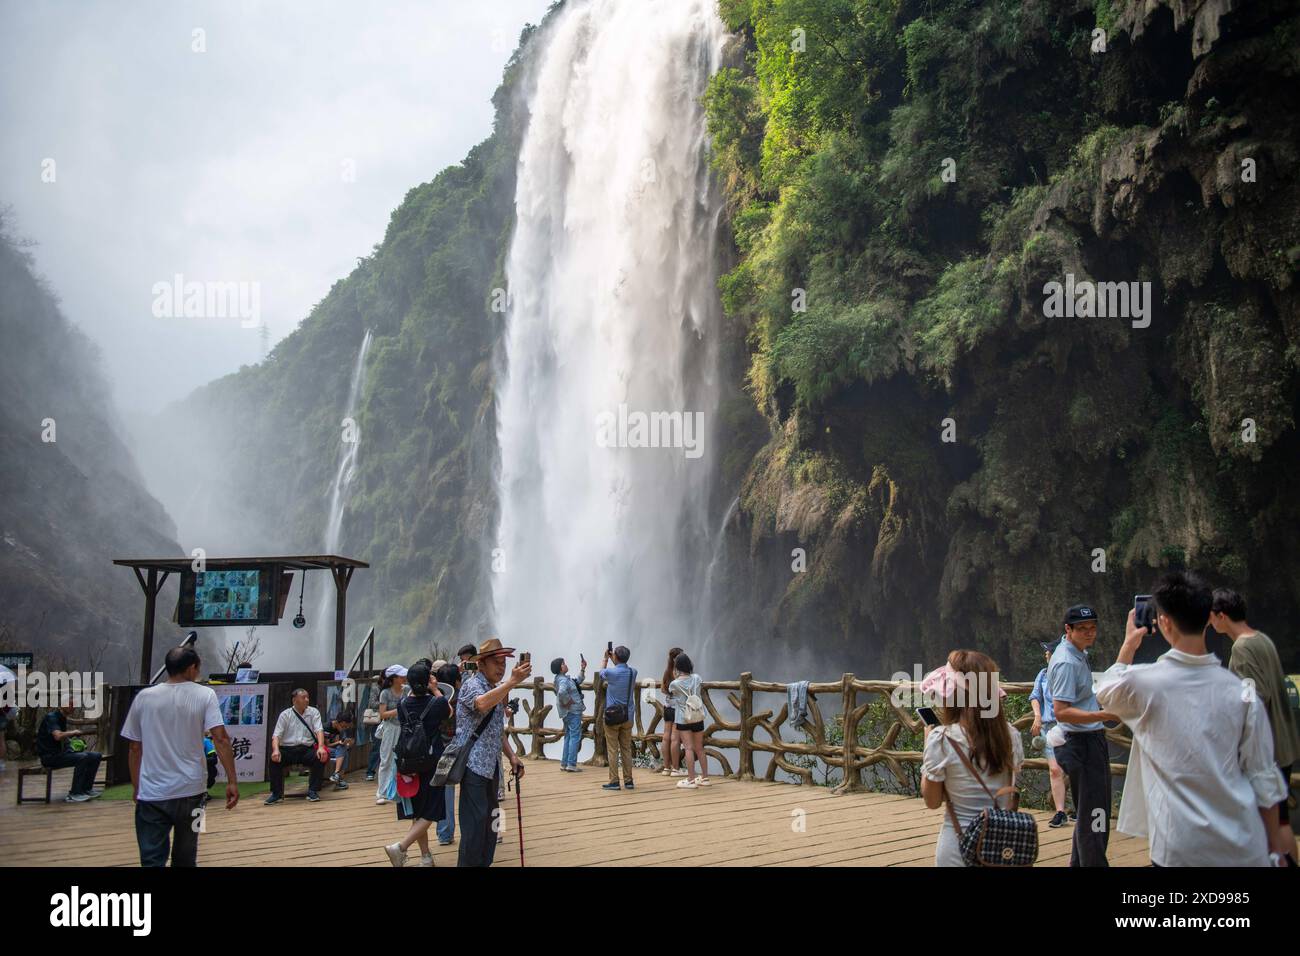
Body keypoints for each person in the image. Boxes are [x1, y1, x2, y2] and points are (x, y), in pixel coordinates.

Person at [1097, 572, 1289, 866]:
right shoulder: (1241, 692)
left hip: (1179, 847)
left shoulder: (1144, 684)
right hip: (1242, 845)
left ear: (1164, 622)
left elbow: (1105, 690)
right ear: (1208, 620)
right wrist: (1275, 852)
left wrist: (1129, 644)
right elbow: (1263, 776)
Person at [120, 645, 239, 866]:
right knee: (187, 855)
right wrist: (232, 780)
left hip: (151, 794)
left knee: (151, 859)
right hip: (193, 792)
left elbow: (134, 748)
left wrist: (137, 787)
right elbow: (221, 738)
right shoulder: (205, 694)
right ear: (192, 667)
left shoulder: (144, 697)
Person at [1210, 588, 1300, 864]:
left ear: (1221, 616)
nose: (1210, 623)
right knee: (1281, 817)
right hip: (1282, 742)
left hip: (1266, 749)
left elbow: (1255, 699)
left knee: (1273, 820)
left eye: (1211, 617)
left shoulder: (1243, 647)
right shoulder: (1262, 639)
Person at [920, 649, 1024, 866]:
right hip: (1001, 846)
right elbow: (1010, 797)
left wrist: (928, 748)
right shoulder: (1012, 736)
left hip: (957, 848)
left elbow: (932, 801)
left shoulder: (941, 739)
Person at [453, 638, 530, 867]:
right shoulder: (472, 685)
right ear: (481, 664)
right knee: (474, 827)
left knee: (492, 824)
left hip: (492, 768)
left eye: (504, 663)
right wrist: (512, 683)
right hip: (473, 767)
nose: (501, 668)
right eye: (496, 662)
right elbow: (481, 704)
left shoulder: (494, 689)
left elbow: (496, 730)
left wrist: (512, 756)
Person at [1047, 603, 1114, 867]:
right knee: (1094, 814)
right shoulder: (1065, 662)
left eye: (1093, 628)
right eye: (1083, 629)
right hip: (1082, 743)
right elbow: (1062, 712)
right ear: (1068, 629)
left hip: (1088, 739)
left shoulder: (1077, 653)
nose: (1090, 633)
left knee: (1091, 811)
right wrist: (1104, 716)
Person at [383, 662, 451, 867]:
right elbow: (449, 712)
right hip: (431, 763)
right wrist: (436, 689)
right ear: (427, 681)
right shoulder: (435, 703)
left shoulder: (402, 705)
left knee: (419, 811)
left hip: (409, 763)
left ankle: (425, 857)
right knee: (432, 811)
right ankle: (401, 847)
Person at [1029, 639, 1071, 827]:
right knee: (1054, 770)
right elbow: (1035, 696)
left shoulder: (1068, 672)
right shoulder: (1043, 674)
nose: (1045, 654)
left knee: (1074, 768)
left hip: (1069, 726)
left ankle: (1081, 809)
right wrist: (1037, 716)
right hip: (1048, 726)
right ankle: (1060, 811)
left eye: (1048, 651)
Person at [265, 689, 328, 804]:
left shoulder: (313, 712)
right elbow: (276, 736)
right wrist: (276, 750)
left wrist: (321, 747)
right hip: (288, 749)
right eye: (304, 697)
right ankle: (276, 793)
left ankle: (313, 791)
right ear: (294, 700)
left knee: (320, 757)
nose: (307, 700)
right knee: (274, 760)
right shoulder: (285, 714)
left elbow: (319, 730)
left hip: (306, 749)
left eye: (307, 697)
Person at [37, 699, 103, 802]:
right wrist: (73, 732)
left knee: (96, 756)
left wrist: (71, 746)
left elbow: (62, 740)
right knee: (82, 757)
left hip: (62, 753)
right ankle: (75, 793)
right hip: (50, 757)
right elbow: (57, 736)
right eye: (70, 704)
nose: (73, 707)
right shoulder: (52, 717)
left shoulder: (62, 718)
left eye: (74, 704)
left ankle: (86, 789)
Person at [598, 645, 638, 791]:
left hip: (612, 716)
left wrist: (605, 658)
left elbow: (601, 673)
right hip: (628, 716)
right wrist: (615, 658)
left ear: (615, 657)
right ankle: (629, 781)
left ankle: (614, 781)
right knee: (626, 748)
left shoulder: (610, 673)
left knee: (613, 749)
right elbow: (622, 669)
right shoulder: (633, 672)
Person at [669, 653, 707, 789]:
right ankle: (704, 777)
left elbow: (671, 695)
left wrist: (676, 676)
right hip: (697, 716)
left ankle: (690, 780)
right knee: (699, 748)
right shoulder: (697, 678)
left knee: (688, 748)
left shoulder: (675, 683)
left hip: (683, 719)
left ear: (677, 667)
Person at [434, 662, 461, 846]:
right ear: (457, 681)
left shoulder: (436, 699)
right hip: (464, 747)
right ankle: (490, 831)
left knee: (446, 790)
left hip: (441, 748)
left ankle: (444, 833)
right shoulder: (463, 697)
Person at [375, 665, 408, 804]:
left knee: (401, 759)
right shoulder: (386, 693)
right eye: (401, 676)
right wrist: (398, 709)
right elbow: (382, 714)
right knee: (386, 758)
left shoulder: (407, 690)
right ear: (393, 678)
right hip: (390, 728)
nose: (404, 678)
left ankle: (397, 791)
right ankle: (382, 792)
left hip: (404, 728)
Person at [552, 654, 587, 772]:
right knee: (575, 736)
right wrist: (568, 701)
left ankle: (564, 763)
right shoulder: (563, 680)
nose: (565, 665)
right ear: (560, 668)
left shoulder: (562, 679)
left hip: (567, 713)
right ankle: (571, 764)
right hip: (573, 711)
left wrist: (582, 669)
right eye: (563, 663)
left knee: (568, 736)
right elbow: (562, 692)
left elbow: (577, 682)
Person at [659, 647, 683, 777]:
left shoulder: (667, 671)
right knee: (675, 739)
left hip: (667, 706)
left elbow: (663, 689)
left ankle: (666, 768)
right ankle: (675, 769)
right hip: (678, 708)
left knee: (666, 737)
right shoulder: (681, 673)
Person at [324, 707, 355, 790]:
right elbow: (326, 745)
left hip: (334, 751)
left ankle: (338, 777)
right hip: (322, 750)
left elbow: (345, 743)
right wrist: (339, 743)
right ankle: (337, 775)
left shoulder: (340, 730)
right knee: (342, 747)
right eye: (345, 726)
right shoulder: (327, 727)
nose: (346, 728)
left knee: (344, 750)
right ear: (342, 723)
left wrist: (348, 743)